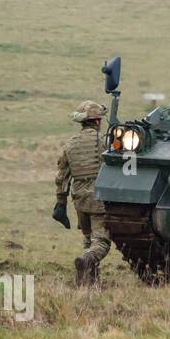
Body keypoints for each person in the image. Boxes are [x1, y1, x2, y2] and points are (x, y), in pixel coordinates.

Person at [54, 100, 110, 286]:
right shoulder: (102, 142)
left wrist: (60, 202)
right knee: (101, 241)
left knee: (88, 239)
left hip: (79, 199)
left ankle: (89, 281)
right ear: (97, 122)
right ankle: (86, 262)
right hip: (98, 198)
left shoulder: (70, 144)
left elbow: (62, 176)